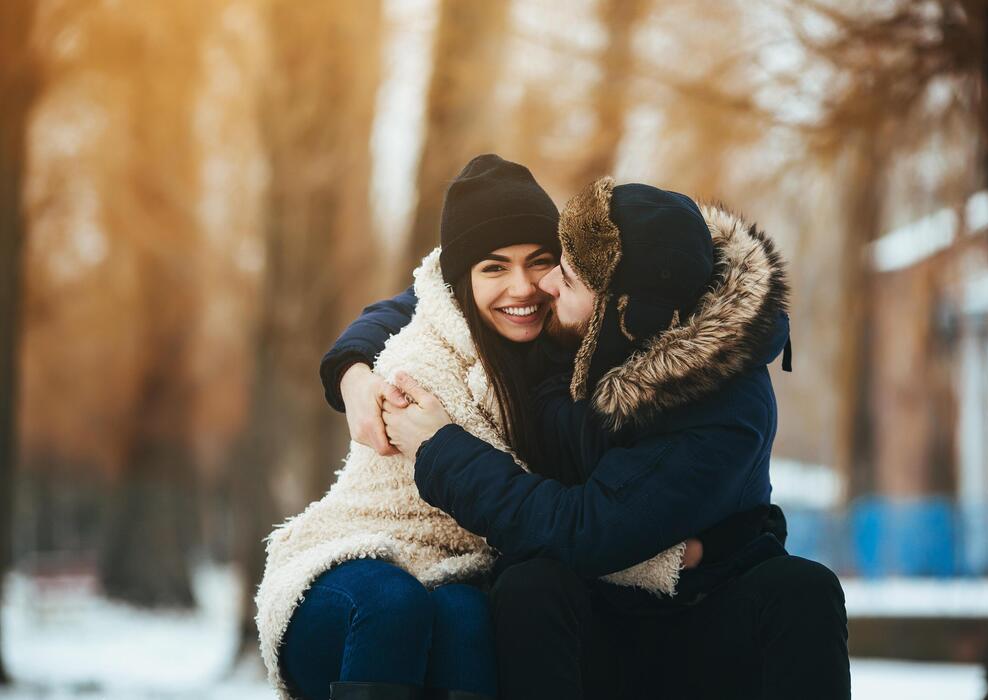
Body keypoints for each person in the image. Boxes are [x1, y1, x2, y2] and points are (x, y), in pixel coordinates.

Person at [333, 177, 850, 699]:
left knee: (803, 590)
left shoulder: (726, 411)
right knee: (530, 585)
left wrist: (440, 448)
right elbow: (442, 296)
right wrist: (351, 368)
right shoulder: (584, 318)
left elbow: (583, 529)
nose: (544, 285)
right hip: (591, 614)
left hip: (700, 614)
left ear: (622, 317)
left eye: (570, 278)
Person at [256, 156, 687, 700]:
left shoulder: (563, 359)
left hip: (455, 571)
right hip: (355, 562)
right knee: (394, 604)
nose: (523, 287)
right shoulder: (424, 367)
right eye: (495, 268)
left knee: (468, 616)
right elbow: (514, 509)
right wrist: (661, 558)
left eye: (539, 262)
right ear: (462, 279)